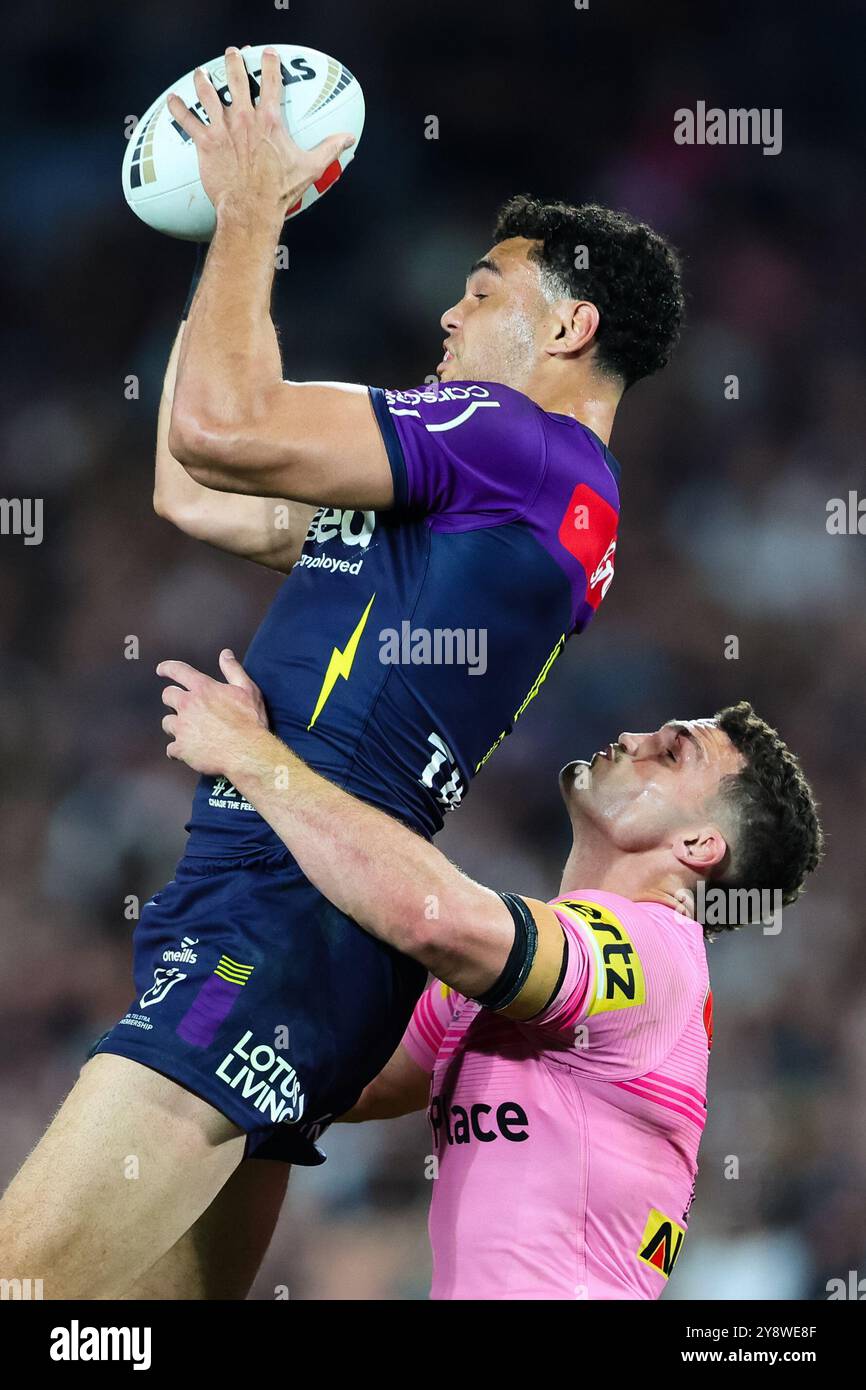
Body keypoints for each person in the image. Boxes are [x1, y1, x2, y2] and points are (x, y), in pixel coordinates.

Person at [0, 48, 683, 1298]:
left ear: (569, 327)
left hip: (279, 894)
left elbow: (223, 425)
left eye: (482, 293)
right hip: (324, 912)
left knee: (24, 1284)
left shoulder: (509, 440)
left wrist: (253, 204)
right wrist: (217, 226)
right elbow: (192, 488)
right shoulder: (542, 509)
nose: (447, 315)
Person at [156, 652, 823, 1299]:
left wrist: (253, 758)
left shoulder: (656, 953)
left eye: (674, 753)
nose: (631, 736)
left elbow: (430, 920)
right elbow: (331, 1081)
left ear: (700, 847)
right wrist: (214, 982)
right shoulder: (524, 979)